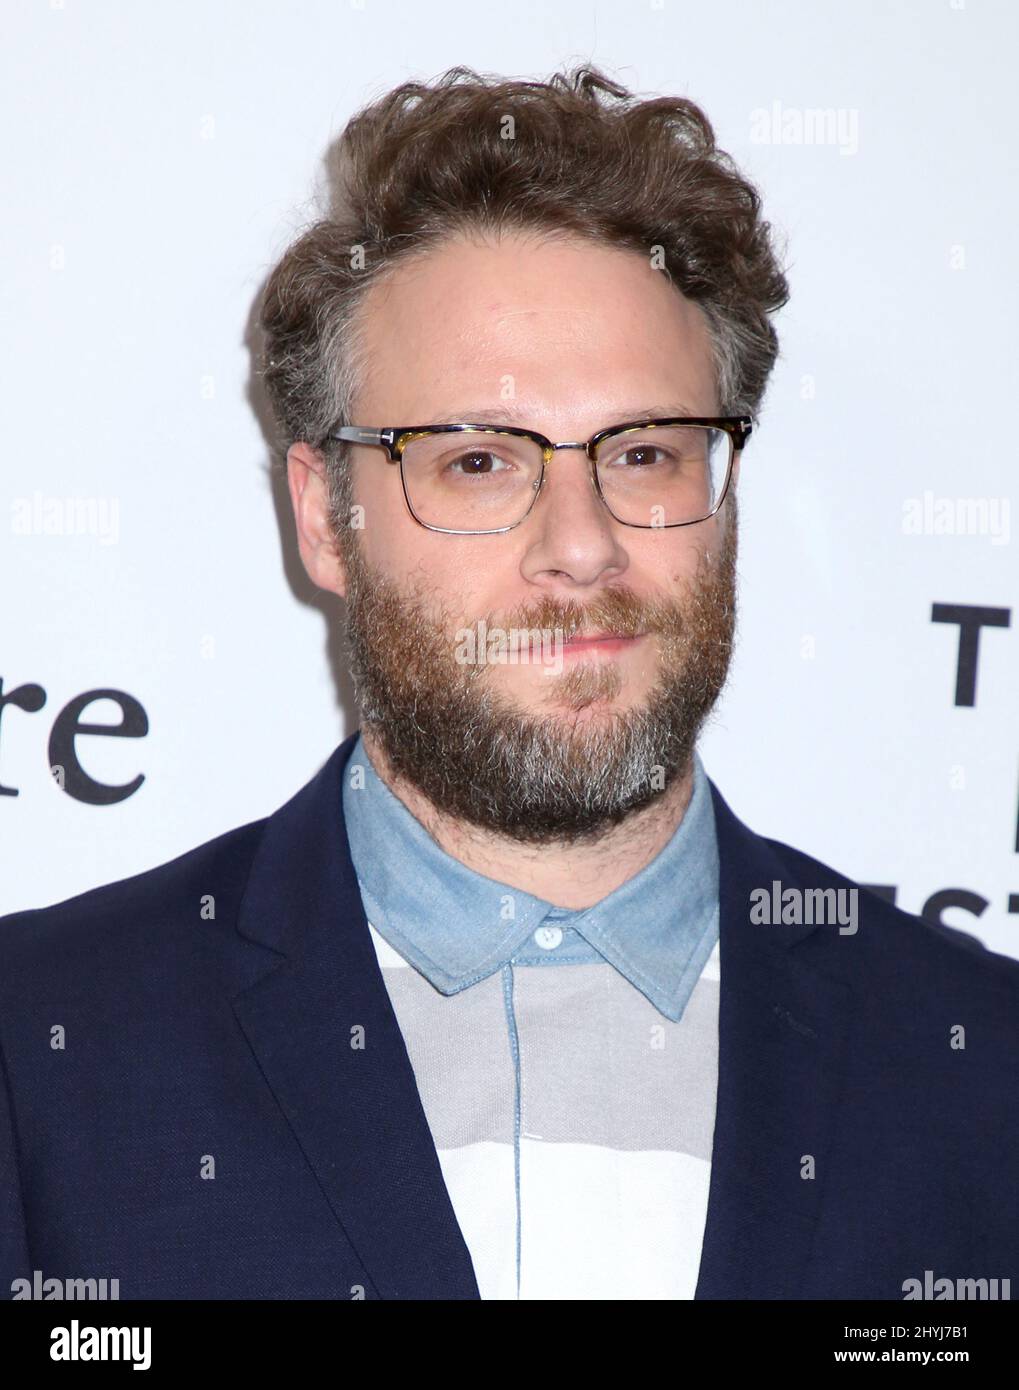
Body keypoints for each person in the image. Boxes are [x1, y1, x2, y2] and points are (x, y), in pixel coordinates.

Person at [2, 65, 1017, 1302]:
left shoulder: (979, 1067)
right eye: (479, 461)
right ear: (326, 519)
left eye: (642, 452)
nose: (579, 546)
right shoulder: (44, 1052)